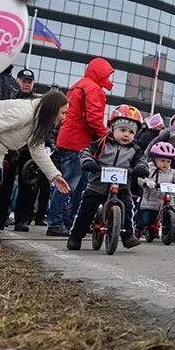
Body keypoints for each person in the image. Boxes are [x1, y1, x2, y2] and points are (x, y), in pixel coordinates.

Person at [66, 105, 148, 251]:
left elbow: (142, 161)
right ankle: (76, 236)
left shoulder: (135, 150)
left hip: (121, 185)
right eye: (122, 130)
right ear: (112, 128)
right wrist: (89, 162)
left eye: (131, 132)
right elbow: (86, 151)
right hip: (98, 184)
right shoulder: (102, 143)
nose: (126, 135)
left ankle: (127, 235)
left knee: (127, 206)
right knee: (86, 210)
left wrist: (140, 168)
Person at [48, 58, 114, 237]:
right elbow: (93, 118)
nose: (109, 78)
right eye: (107, 74)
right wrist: (106, 137)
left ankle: (67, 222)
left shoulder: (78, 86)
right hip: (79, 142)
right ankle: (57, 222)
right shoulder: (93, 89)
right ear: (100, 73)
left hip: (71, 139)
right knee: (71, 183)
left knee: (76, 184)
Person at [0, 90, 71, 229]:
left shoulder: (38, 121)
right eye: (63, 113)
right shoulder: (24, 113)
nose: (64, 118)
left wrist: (54, 175)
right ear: (52, 109)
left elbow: (37, 150)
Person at [0, 68, 40, 230]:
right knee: (5, 184)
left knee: (27, 186)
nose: (26, 84)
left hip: (28, 150)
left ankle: (21, 220)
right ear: (18, 81)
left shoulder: (37, 102)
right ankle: (0, 218)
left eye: (29, 82)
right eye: (24, 81)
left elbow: (44, 128)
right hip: (10, 149)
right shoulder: (10, 97)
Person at [134, 141, 175, 236]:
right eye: (162, 161)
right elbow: (141, 178)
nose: (165, 164)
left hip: (166, 202)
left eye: (168, 161)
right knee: (146, 220)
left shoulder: (172, 172)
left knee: (171, 216)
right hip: (150, 202)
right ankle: (138, 229)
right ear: (154, 159)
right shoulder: (149, 169)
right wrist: (147, 182)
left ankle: (171, 229)